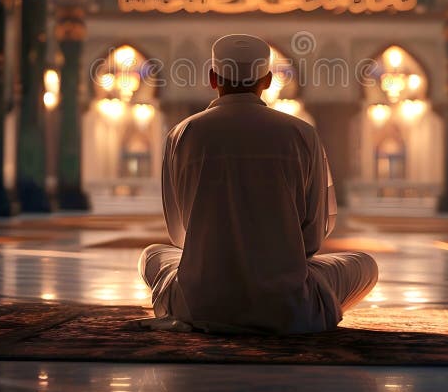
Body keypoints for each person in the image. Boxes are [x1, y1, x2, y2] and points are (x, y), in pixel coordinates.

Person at [138, 33, 378, 334]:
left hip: (199, 302)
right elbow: (313, 238)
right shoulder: (301, 134)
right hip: (287, 306)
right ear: (267, 80)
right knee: (364, 264)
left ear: (213, 78)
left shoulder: (183, 134)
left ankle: (196, 309)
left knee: (152, 255)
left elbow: (179, 234)